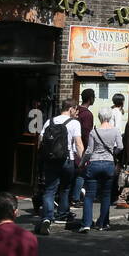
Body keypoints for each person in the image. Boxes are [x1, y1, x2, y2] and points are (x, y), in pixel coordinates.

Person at [38, 99, 84, 235]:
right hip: (67, 160)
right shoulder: (74, 123)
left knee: (49, 190)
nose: (76, 113)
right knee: (65, 188)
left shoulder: (49, 121)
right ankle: (62, 214)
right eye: (76, 110)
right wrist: (83, 161)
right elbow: (79, 144)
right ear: (71, 109)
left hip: (50, 160)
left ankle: (47, 218)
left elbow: (41, 140)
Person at [80, 107, 122, 232]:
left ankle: (86, 223)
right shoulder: (115, 131)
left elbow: (89, 151)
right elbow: (120, 146)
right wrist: (112, 153)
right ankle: (102, 223)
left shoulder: (94, 132)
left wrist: (82, 163)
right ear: (109, 117)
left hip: (94, 163)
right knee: (106, 195)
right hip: (109, 164)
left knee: (89, 195)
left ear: (99, 117)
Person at [71, 88, 95, 210]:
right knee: (81, 173)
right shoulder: (87, 114)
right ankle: (76, 198)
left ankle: (71, 195)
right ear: (90, 98)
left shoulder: (76, 110)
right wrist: (88, 149)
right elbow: (87, 133)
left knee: (74, 172)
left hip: (71, 147)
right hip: (81, 147)